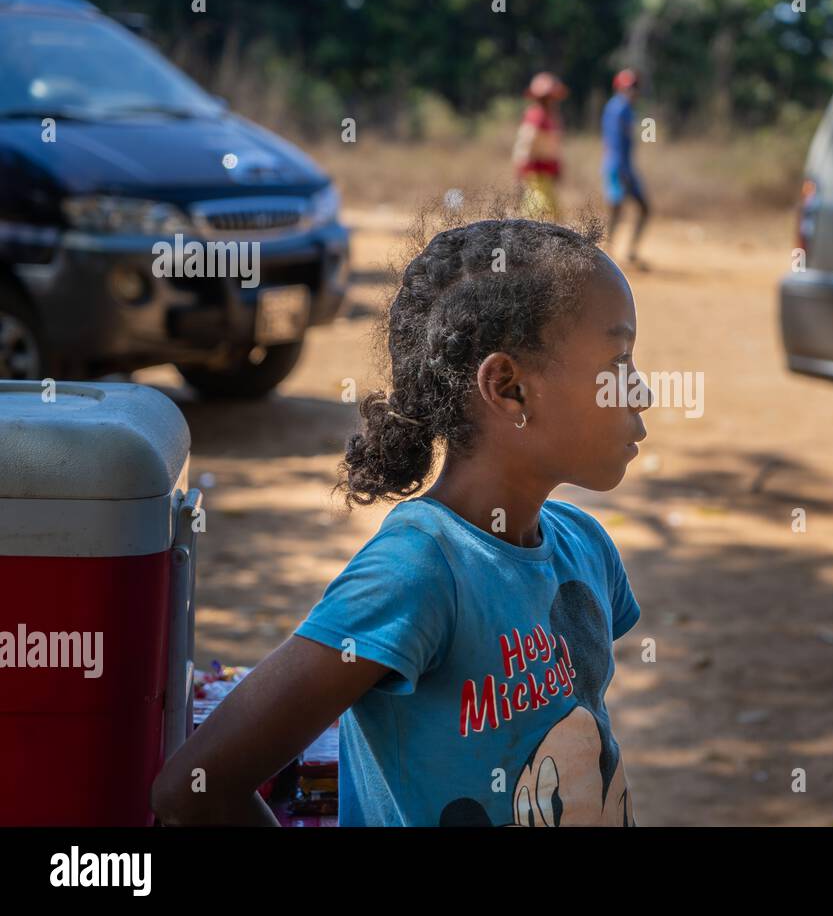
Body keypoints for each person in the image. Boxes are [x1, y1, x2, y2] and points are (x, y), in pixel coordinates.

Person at [151, 219, 651, 826]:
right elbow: (193, 789)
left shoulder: (585, 548)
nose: (641, 391)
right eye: (618, 361)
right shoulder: (418, 572)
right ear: (509, 387)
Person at [602, 68, 650, 267]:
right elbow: (614, 143)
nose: (633, 91)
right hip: (618, 166)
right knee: (618, 209)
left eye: (635, 87)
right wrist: (621, 171)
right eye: (629, 87)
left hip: (624, 166)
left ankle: (623, 252)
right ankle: (609, 253)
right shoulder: (619, 108)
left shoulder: (626, 109)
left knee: (635, 209)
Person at [513, 72, 568, 220]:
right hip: (536, 176)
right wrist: (521, 169)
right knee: (540, 216)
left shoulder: (550, 117)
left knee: (553, 217)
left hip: (546, 175)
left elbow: (553, 147)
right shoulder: (536, 115)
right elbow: (525, 144)